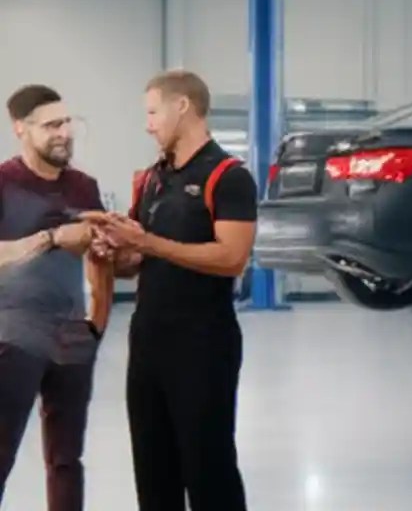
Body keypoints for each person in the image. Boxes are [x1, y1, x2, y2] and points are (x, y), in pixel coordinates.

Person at [81, 69, 257, 511]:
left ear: (183, 107)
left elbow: (232, 258)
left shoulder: (229, 177)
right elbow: (138, 262)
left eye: (153, 113)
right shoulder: (154, 179)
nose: (148, 125)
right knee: (153, 471)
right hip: (148, 341)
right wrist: (113, 252)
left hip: (203, 343)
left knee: (208, 469)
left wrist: (148, 242)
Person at [0, 84, 115, 511]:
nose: (64, 133)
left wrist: (97, 321)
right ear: (21, 129)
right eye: (52, 125)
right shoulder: (4, 182)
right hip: (13, 335)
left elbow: (99, 258)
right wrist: (50, 238)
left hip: (72, 335)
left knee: (67, 460)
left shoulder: (84, 187)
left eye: (68, 122)